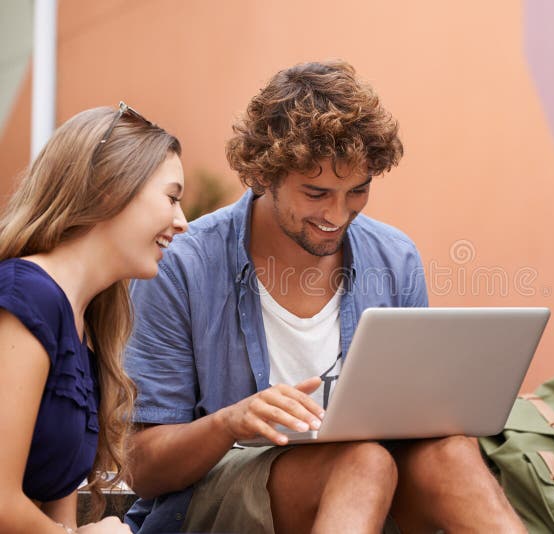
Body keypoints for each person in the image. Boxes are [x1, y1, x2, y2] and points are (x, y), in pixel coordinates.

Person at [124, 60, 526, 533]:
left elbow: (421, 425)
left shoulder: (394, 259)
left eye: (357, 190)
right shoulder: (183, 265)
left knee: (452, 450)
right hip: (216, 497)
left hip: (371, 488)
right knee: (363, 462)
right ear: (262, 175)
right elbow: (143, 468)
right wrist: (230, 422)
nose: (337, 214)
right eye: (316, 193)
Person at [0, 103, 188, 533]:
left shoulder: (82, 322)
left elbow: (57, 514)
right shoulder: (24, 296)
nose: (182, 222)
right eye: (172, 197)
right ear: (110, 188)